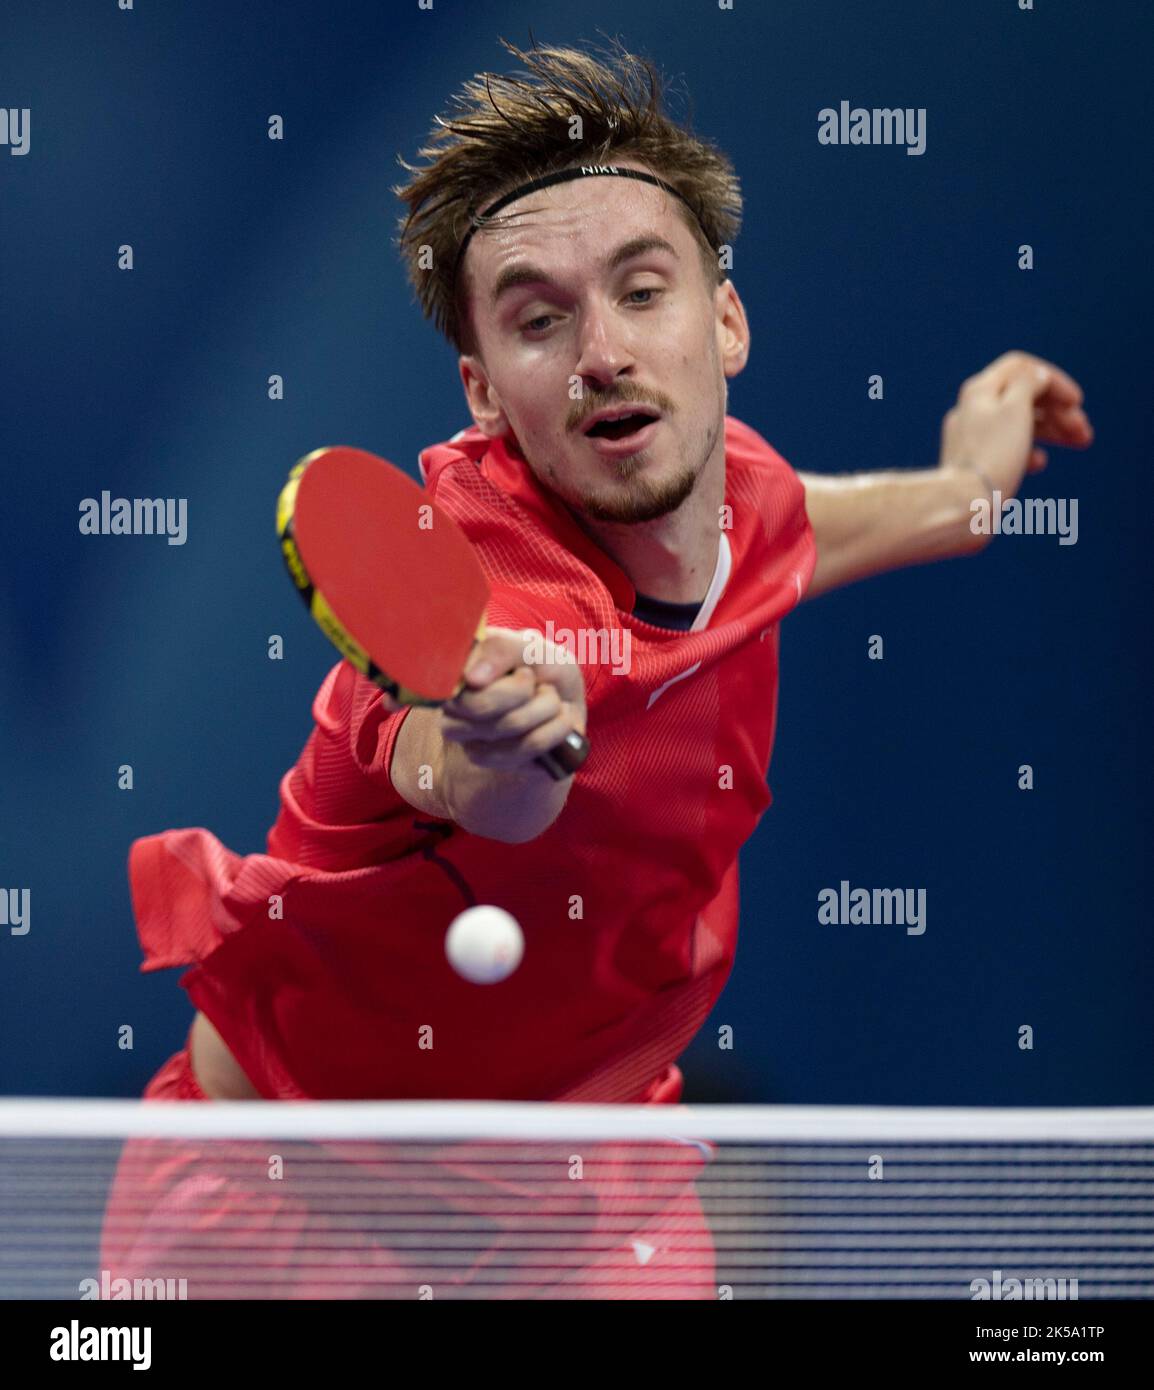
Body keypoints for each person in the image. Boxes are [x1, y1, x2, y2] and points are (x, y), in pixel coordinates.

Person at [100, 37, 1093, 1300]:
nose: (602, 352)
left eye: (641, 289)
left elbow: (854, 519)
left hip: (581, 1216)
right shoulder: (460, 599)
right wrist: (506, 737)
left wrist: (972, 475)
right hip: (272, 1200)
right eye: (536, 319)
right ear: (480, 392)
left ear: (723, 319)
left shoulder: (749, 504)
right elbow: (469, 772)